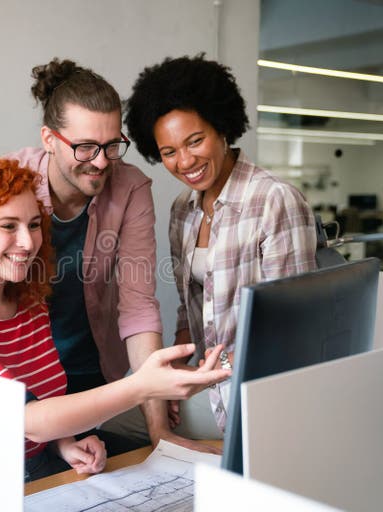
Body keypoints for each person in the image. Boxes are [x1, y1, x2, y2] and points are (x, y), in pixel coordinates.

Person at [0, 58, 215, 453]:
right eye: (86, 147)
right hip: (6, 370)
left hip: (63, 368)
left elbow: (138, 306)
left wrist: (159, 432)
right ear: (49, 139)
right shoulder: (12, 182)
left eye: (113, 146)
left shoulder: (127, 189)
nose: (101, 161)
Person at [0, 156, 231, 481]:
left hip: (36, 469)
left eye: (34, 225)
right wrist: (142, 386)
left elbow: (37, 402)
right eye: (8, 226)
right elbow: (28, 419)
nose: (28, 241)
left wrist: (64, 444)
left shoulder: (28, 306)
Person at [124, 54, 317, 436]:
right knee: (117, 425)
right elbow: (190, 310)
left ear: (222, 128)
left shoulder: (274, 200)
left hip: (257, 394)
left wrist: (207, 373)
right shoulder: (183, 210)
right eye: (168, 152)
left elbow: (293, 326)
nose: (185, 161)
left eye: (195, 141)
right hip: (207, 383)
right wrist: (174, 374)